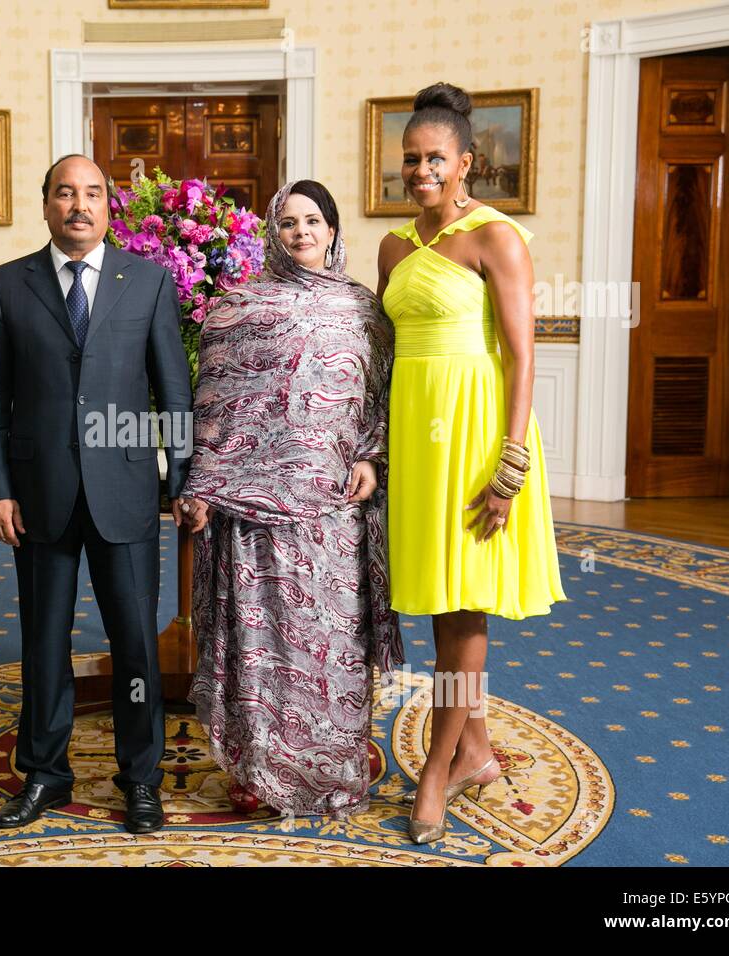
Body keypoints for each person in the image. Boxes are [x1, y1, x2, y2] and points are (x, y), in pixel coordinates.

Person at [0, 154, 194, 834]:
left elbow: (171, 390)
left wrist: (182, 480)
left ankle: (141, 780)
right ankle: (43, 775)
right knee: (43, 640)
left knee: (134, 644)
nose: (79, 205)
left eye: (92, 193)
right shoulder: (6, 285)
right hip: (37, 494)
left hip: (126, 492)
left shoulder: (150, 282)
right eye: (65, 193)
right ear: (44, 206)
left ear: (108, 207)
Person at [376, 83, 567, 845]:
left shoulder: (497, 237)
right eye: (410, 160)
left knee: (463, 606)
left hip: (478, 435)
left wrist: (510, 463)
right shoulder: (394, 247)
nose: (421, 171)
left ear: (466, 162)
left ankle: (436, 768)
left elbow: (523, 356)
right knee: (434, 599)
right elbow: (384, 351)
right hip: (415, 439)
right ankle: (479, 751)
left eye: (434, 159)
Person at [179, 180, 404, 819]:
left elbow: (381, 393)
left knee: (330, 642)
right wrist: (206, 483)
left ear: (333, 230)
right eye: (287, 224)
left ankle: (330, 771)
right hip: (251, 511)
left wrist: (369, 454)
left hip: (334, 505)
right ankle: (258, 768)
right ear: (271, 235)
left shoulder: (364, 311)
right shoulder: (236, 308)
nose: (301, 233)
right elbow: (215, 403)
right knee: (262, 640)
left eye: (313, 221)